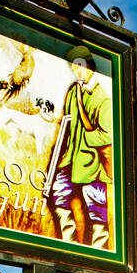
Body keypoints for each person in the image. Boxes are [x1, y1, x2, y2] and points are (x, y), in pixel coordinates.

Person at [48, 44, 113, 248]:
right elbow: (66, 123)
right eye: (73, 66)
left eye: (78, 65)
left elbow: (107, 135)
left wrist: (85, 138)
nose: (75, 70)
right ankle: (69, 245)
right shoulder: (72, 91)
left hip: (90, 163)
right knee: (58, 194)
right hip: (69, 157)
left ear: (90, 66)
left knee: (96, 207)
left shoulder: (102, 98)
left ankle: (99, 252)